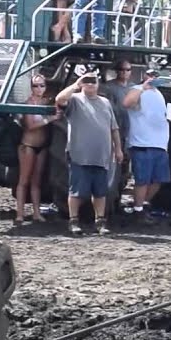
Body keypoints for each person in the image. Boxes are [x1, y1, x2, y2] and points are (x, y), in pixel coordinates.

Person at [55, 70, 123, 235]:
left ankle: (100, 222)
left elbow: (114, 128)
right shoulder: (75, 100)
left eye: (93, 81)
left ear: (98, 84)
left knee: (100, 192)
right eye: (87, 81)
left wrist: (118, 149)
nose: (91, 83)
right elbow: (59, 99)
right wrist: (77, 84)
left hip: (101, 156)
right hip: (80, 155)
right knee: (76, 191)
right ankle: (73, 221)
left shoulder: (106, 103)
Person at [122, 67, 171, 222]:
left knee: (159, 180)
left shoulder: (159, 93)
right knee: (142, 179)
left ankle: (141, 204)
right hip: (142, 143)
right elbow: (127, 103)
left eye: (156, 75)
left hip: (160, 143)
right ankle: (138, 211)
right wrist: (143, 87)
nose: (153, 78)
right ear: (145, 76)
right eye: (151, 75)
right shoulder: (136, 89)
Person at [14, 73, 52, 225]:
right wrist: (49, 119)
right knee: (24, 180)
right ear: (30, 88)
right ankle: (20, 214)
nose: (39, 88)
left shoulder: (46, 103)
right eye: (36, 85)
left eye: (42, 85)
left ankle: (36, 213)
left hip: (41, 146)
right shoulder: (28, 103)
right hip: (28, 145)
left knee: (36, 182)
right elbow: (30, 126)